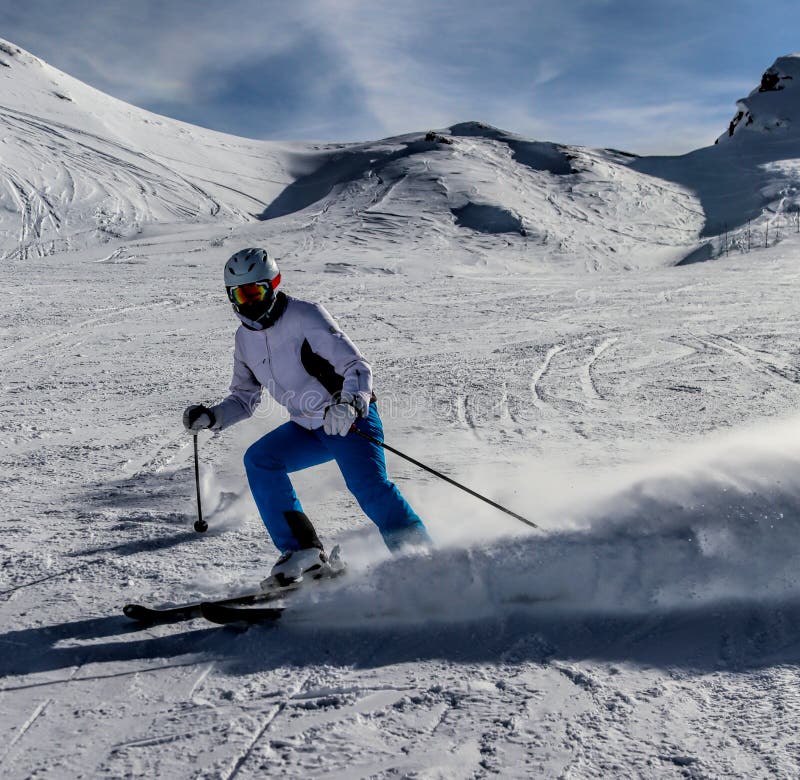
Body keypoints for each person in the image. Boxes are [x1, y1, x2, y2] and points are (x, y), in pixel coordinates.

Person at [183, 248, 431, 583]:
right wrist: (211, 417)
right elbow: (244, 399)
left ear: (274, 285)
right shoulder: (244, 340)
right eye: (241, 294)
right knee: (260, 460)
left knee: (369, 487)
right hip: (307, 427)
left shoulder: (306, 316)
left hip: (348, 420)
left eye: (256, 291)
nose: (249, 302)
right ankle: (303, 552)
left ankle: (422, 559)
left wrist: (350, 404)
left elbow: (356, 367)